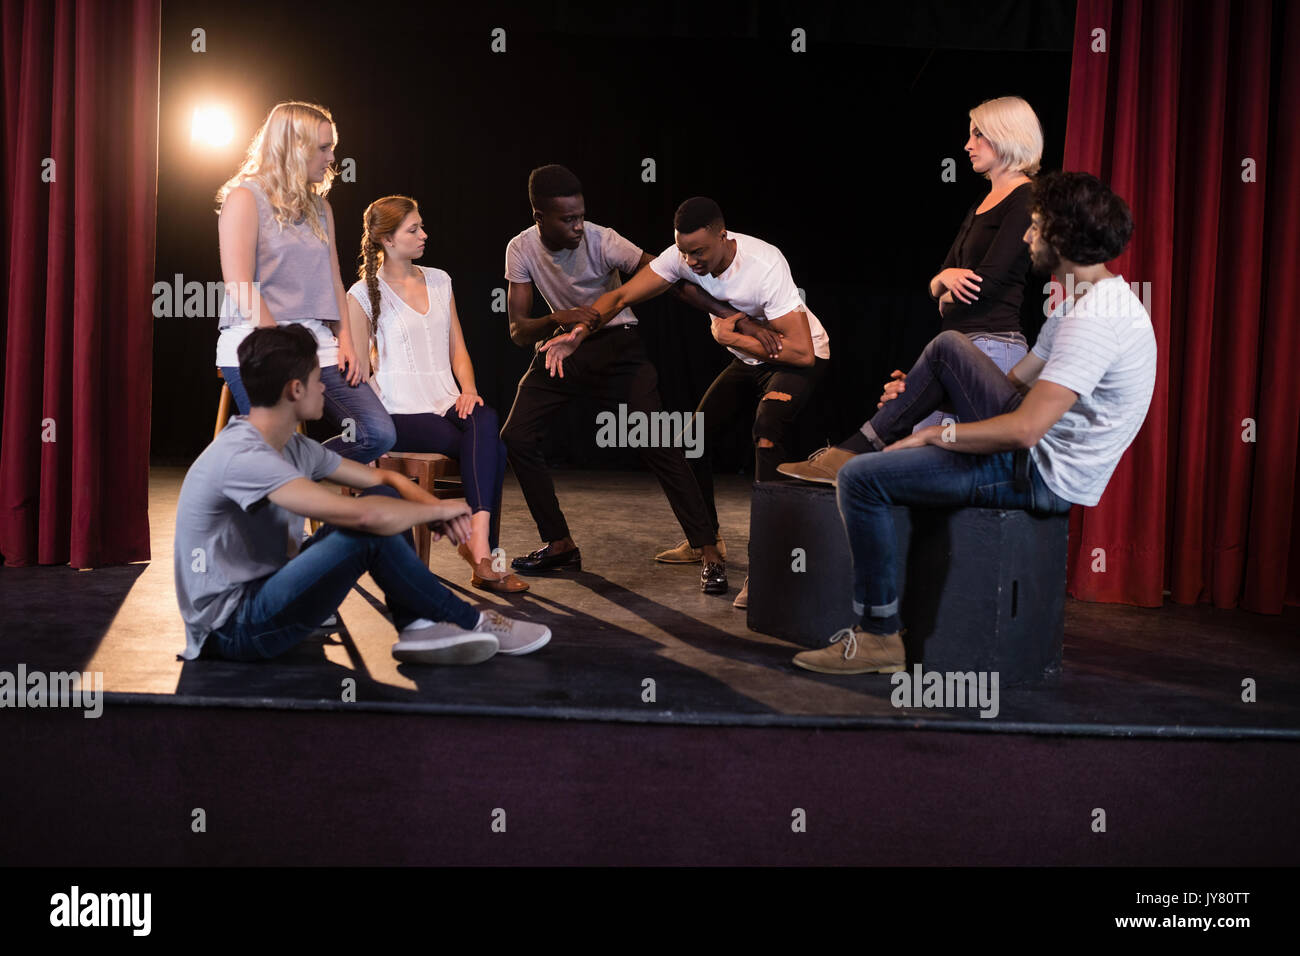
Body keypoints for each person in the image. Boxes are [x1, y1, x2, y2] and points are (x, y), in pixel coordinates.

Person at [780, 172, 1155, 675]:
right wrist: (915, 396)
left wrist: (940, 432)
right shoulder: (1086, 303)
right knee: (949, 347)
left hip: (1038, 474)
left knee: (860, 481)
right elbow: (1011, 385)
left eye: (1035, 226)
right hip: (1031, 454)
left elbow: (1025, 428)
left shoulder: (1094, 321)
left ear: (1063, 236)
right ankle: (864, 439)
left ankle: (878, 636)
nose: (1026, 236)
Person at [175, 325, 551, 665]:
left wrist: (426, 505)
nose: (324, 386)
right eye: (316, 378)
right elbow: (365, 518)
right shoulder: (243, 455)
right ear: (295, 389)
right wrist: (439, 509)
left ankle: (418, 627)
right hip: (233, 630)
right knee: (367, 528)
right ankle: (475, 621)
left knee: (385, 495)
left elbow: (388, 482)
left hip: (266, 599)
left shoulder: (292, 447)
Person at [541, 196, 830, 606]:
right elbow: (620, 297)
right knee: (693, 439)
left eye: (700, 252)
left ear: (722, 236)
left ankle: (767, 568)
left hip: (800, 358)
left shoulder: (765, 265)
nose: (691, 262)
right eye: (684, 251)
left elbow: (801, 352)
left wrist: (729, 338)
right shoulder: (682, 256)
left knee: (765, 434)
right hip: (749, 357)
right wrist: (578, 334)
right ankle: (706, 542)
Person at [500, 165, 747, 594]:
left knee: (657, 441)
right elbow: (519, 330)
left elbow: (668, 280)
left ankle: (708, 551)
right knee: (516, 436)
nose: (578, 226)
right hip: (565, 347)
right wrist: (560, 318)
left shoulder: (604, 239)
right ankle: (559, 542)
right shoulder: (520, 249)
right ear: (540, 217)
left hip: (620, 348)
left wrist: (725, 314)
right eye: (567, 219)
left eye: (580, 216)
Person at [346, 195, 527, 594]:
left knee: (485, 419)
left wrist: (469, 390)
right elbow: (358, 374)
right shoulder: (362, 294)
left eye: (422, 226)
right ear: (387, 240)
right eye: (413, 229)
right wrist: (371, 431)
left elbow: (458, 348)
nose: (424, 234)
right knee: (489, 450)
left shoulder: (441, 280)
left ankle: (478, 546)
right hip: (398, 411)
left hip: (445, 399)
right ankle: (486, 559)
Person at [214, 101, 396, 463]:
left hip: (316, 341)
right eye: (324, 148)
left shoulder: (320, 208)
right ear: (295, 148)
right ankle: (280, 478)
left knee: (377, 433)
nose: (332, 158)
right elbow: (239, 284)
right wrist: (283, 349)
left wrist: (345, 339)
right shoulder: (244, 198)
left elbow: (333, 280)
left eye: (333, 147)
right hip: (258, 339)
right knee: (272, 449)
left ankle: (298, 469)